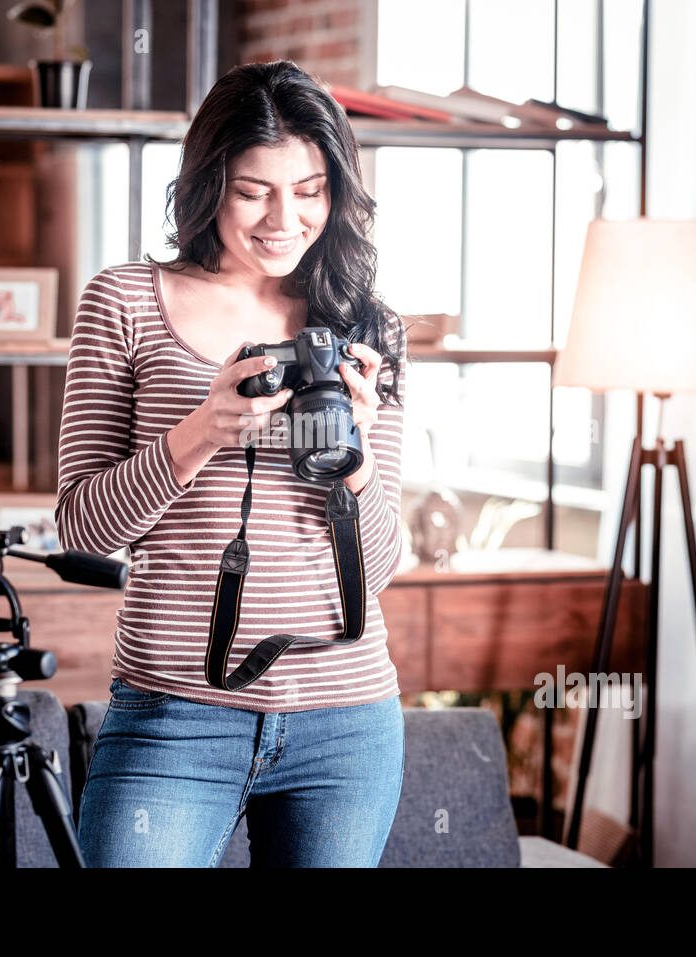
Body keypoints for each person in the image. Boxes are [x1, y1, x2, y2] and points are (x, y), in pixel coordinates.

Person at [56, 60, 408, 867]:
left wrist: (352, 461)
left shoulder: (365, 323)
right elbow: (81, 523)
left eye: (311, 189)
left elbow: (382, 563)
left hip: (347, 720)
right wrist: (204, 429)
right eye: (255, 191)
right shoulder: (124, 302)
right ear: (208, 182)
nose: (285, 218)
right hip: (175, 713)